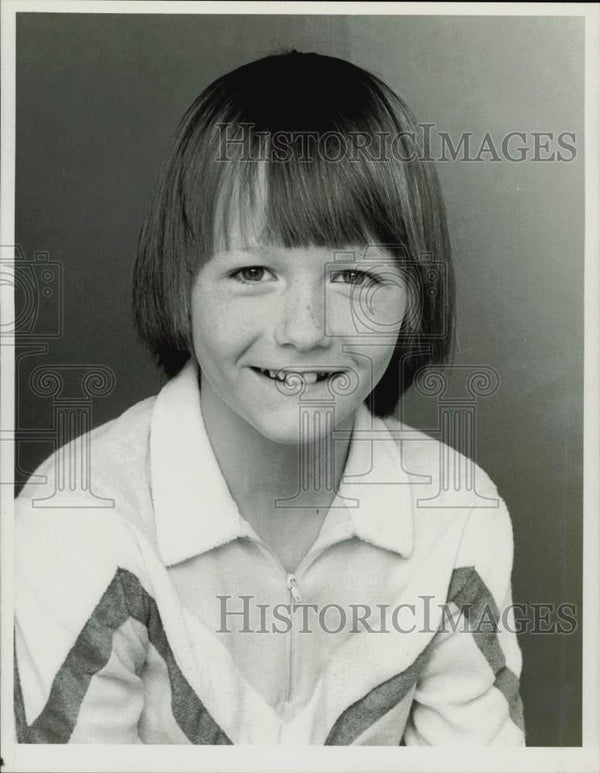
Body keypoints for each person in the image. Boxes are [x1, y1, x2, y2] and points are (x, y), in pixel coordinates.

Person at [14, 50, 525, 745]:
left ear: (416, 295)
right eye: (252, 270)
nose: (304, 330)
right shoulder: (76, 521)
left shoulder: (457, 515)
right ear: (180, 285)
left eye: (354, 276)